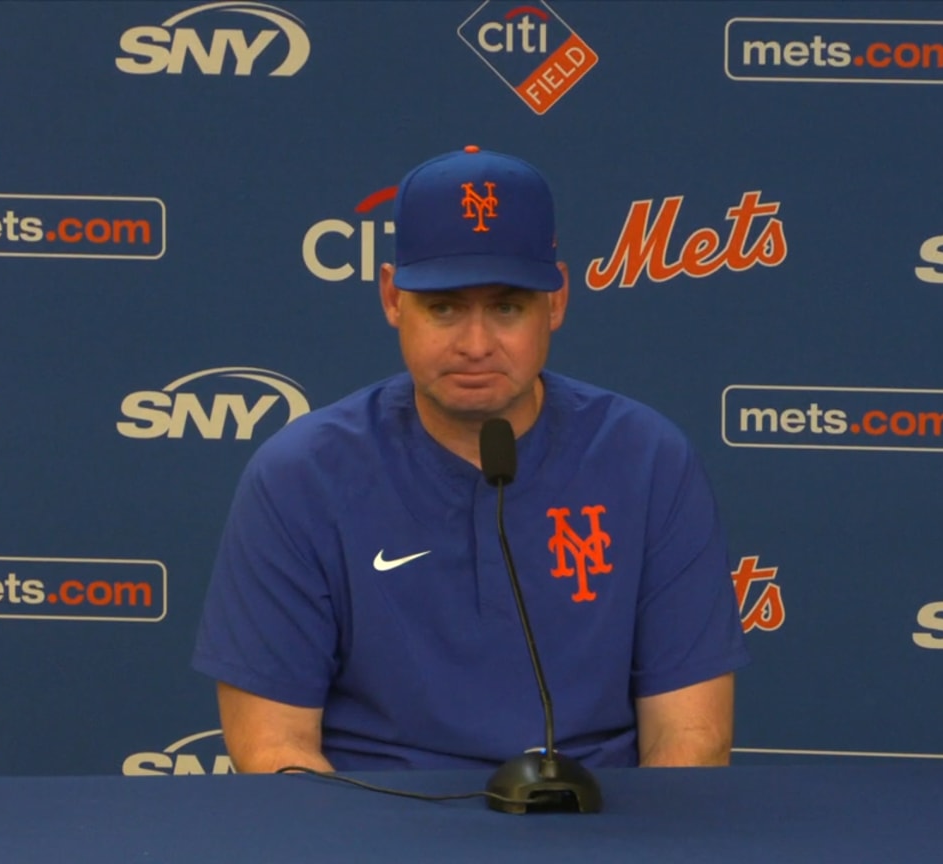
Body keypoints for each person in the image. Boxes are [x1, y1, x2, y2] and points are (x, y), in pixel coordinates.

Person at [192, 146, 750, 772]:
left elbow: (690, 740)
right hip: (373, 826)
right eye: (445, 307)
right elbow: (274, 750)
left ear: (557, 302)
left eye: (507, 307)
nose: (476, 345)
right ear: (392, 299)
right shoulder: (300, 476)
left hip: (597, 827)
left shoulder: (649, 460)